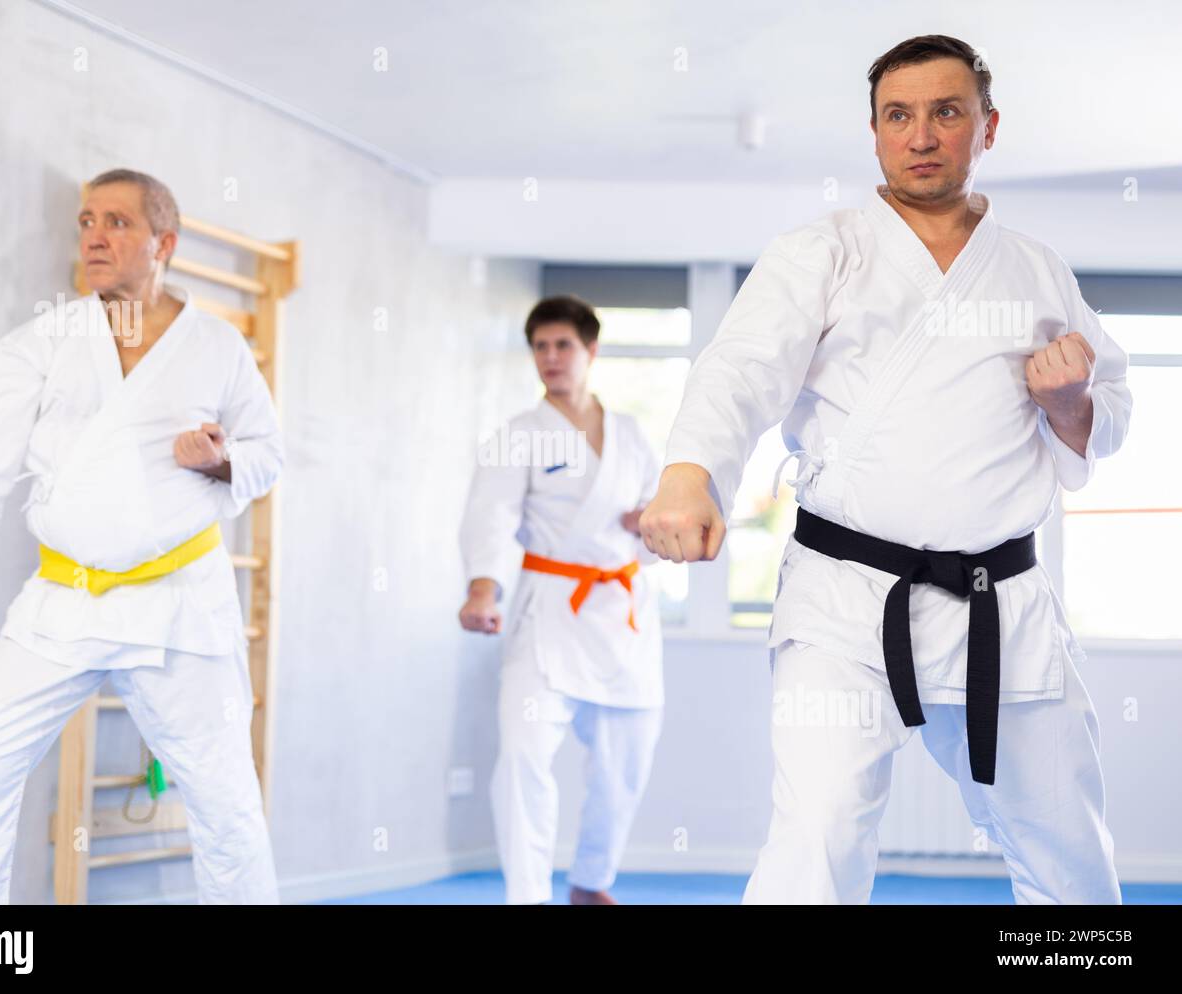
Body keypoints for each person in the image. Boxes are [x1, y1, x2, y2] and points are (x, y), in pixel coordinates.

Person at [640, 35, 1131, 904]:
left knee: (1069, 855)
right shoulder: (820, 252)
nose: (922, 134)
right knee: (816, 841)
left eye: (947, 111)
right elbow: (740, 369)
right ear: (873, 131)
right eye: (898, 116)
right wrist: (690, 473)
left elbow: (1107, 407)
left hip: (1001, 606)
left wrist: (1068, 404)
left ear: (988, 126)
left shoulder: (1035, 269)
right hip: (846, 604)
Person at [0, 168, 283, 904]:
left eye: (117, 222)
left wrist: (222, 459)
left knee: (226, 802)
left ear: (163, 242)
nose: (95, 235)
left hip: (180, 603)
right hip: (65, 602)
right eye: (86, 220)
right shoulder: (39, 343)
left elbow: (269, 451)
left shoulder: (219, 347)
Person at [459, 296, 664, 905]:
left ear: (590, 351)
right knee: (522, 760)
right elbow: (490, 518)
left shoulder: (630, 434)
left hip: (622, 612)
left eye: (562, 345)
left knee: (627, 764)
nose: (550, 358)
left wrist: (647, 524)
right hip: (548, 612)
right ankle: (527, 895)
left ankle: (591, 880)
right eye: (540, 347)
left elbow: (661, 518)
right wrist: (482, 590)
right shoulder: (519, 435)